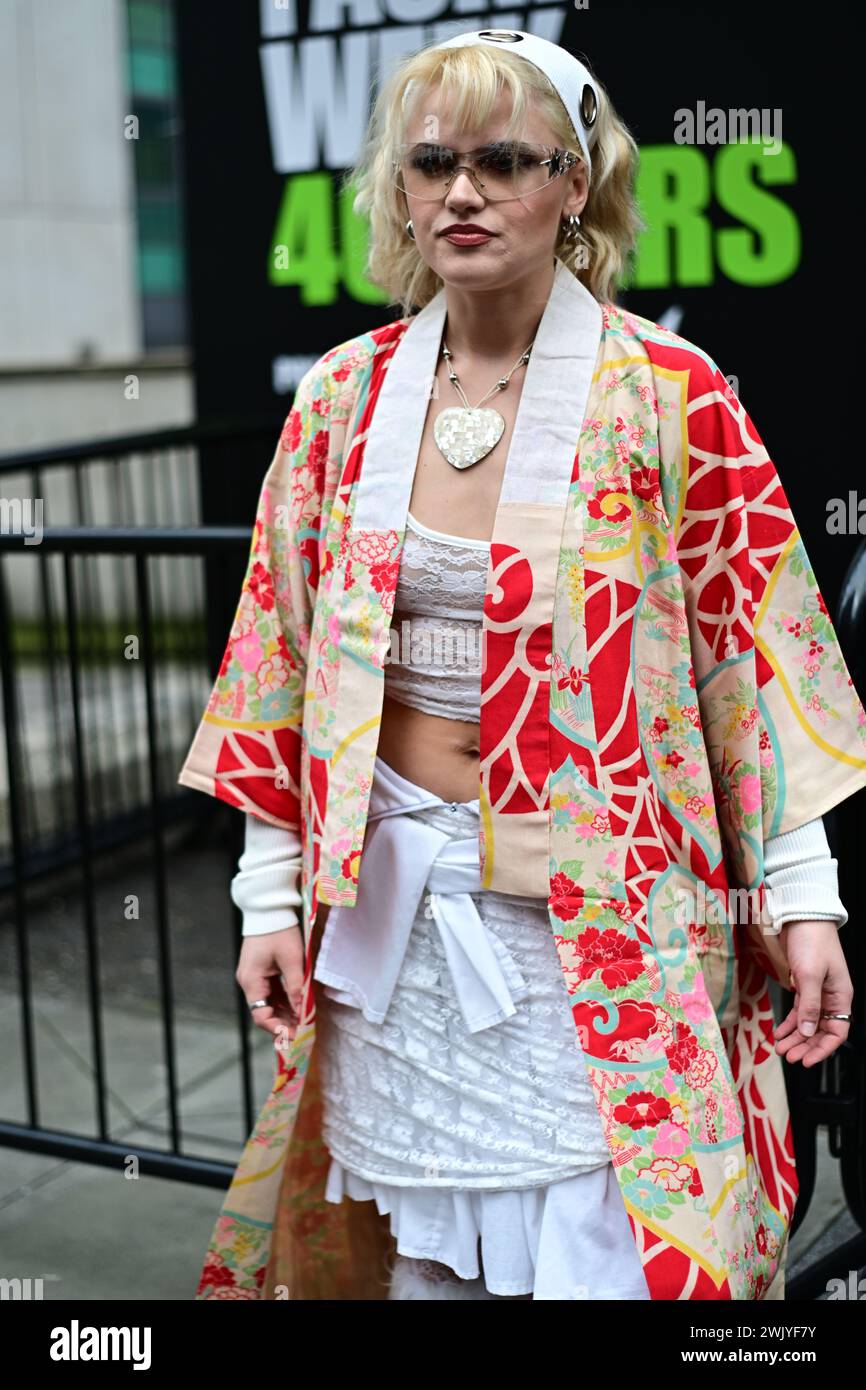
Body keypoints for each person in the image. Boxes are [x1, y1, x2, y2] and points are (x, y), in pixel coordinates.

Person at [178, 30, 866, 1301]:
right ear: (397, 187)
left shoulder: (673, 393)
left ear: (574, 184)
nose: (460, 192)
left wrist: (803, 892)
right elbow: (276, 664)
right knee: (424, 1264)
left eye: (502, 161)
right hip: (392, 931)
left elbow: (756, 660)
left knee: (611, 1251)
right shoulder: (339, 398)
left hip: (605, 927)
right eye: (431, 161)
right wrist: (266, 894)